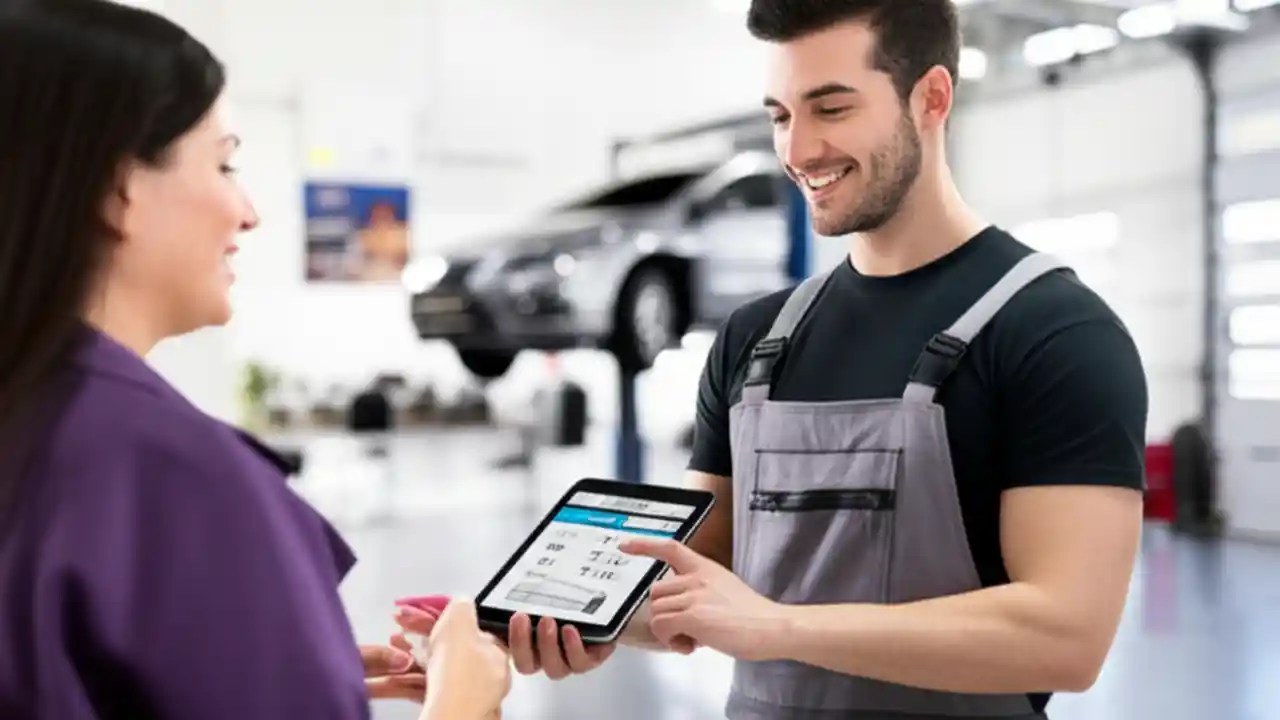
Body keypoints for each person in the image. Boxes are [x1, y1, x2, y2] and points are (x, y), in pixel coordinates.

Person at [488, 2, 1148, 719]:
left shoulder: (1055, 332)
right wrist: (574, 619)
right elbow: (696, 581)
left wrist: (778, 627)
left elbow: (1066, 637)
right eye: (780, 116)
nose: (798, 151)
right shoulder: (755, 340)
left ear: (931, 97)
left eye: (830, 109)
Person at [0, 2, 509, 718]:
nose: (249, 211)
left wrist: (291, 670)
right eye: (225, 162)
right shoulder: (179, 480)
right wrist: (465, 696)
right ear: (119, 186)